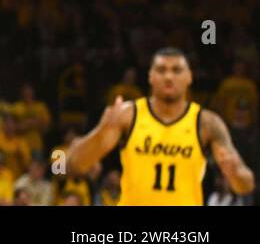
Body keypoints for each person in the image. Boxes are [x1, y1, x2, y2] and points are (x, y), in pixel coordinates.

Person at [66, 47, 256, 205]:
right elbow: (74, 164)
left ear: (189, 77)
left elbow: (247, 185)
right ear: (150, 76)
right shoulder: (128, 116)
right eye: (161, 70)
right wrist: (101, 130)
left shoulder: (206, 122)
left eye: (176, 70)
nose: (168, 76)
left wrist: (235, 174)